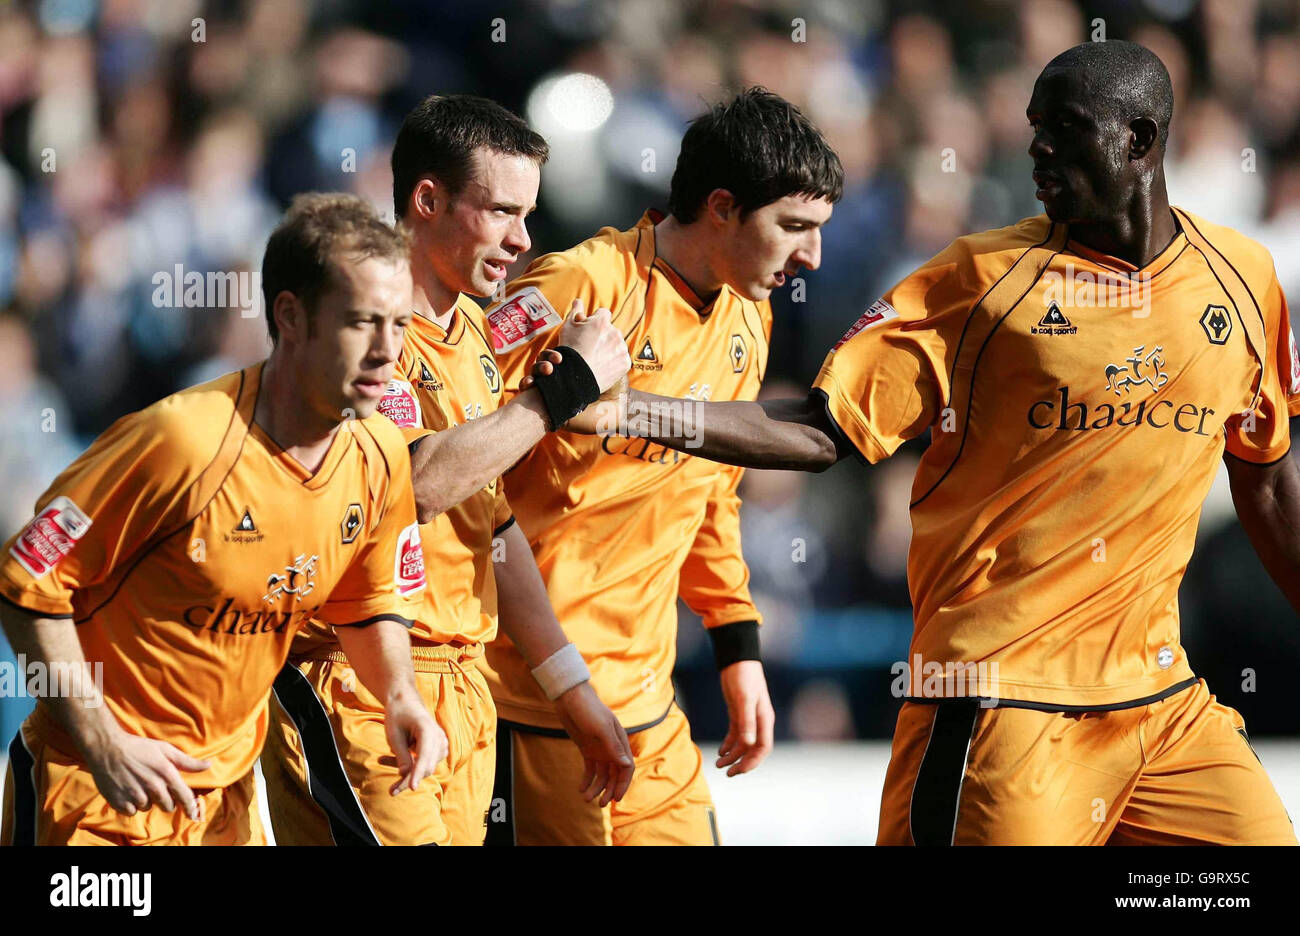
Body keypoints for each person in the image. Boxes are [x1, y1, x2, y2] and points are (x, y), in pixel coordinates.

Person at [544, 41, 1300, 845]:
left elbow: (1266, 478)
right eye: (1034, 127)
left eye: (1066, 129)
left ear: (1141, 141)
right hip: (999, 705)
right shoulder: (975, 283)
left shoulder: (1245, 280)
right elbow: (820, 427)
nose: (1038, 148)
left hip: (1161, 703)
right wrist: (630, 410)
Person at [0, 193, 445, 845]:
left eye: (401, 324)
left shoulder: (378, 450)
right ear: (290, 317)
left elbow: (368, 600)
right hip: (100, 793)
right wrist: (102, 738)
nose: (388, 351)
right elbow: (25, 578)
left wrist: (400, 694)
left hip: (226, 802)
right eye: (361, 323)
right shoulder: (181, 441)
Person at [260, 95, 635, 846]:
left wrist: (572, 689)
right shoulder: (357, 322)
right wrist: (558, 397)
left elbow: (487, 521)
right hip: (359, 677)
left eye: (528, 216)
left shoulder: (470, 332)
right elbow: (414, 487)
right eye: (500, 212)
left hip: (466, 686)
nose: (520, 241)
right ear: (427, 199)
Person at [481, 87, 843, 845]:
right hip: (532, 704)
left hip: (651, 700)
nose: (811, 256)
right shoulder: (578, 287)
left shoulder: (751, 312)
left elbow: (709, 492)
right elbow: (460, 470)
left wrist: (736, 644)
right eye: (795, 227)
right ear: (721, 206)